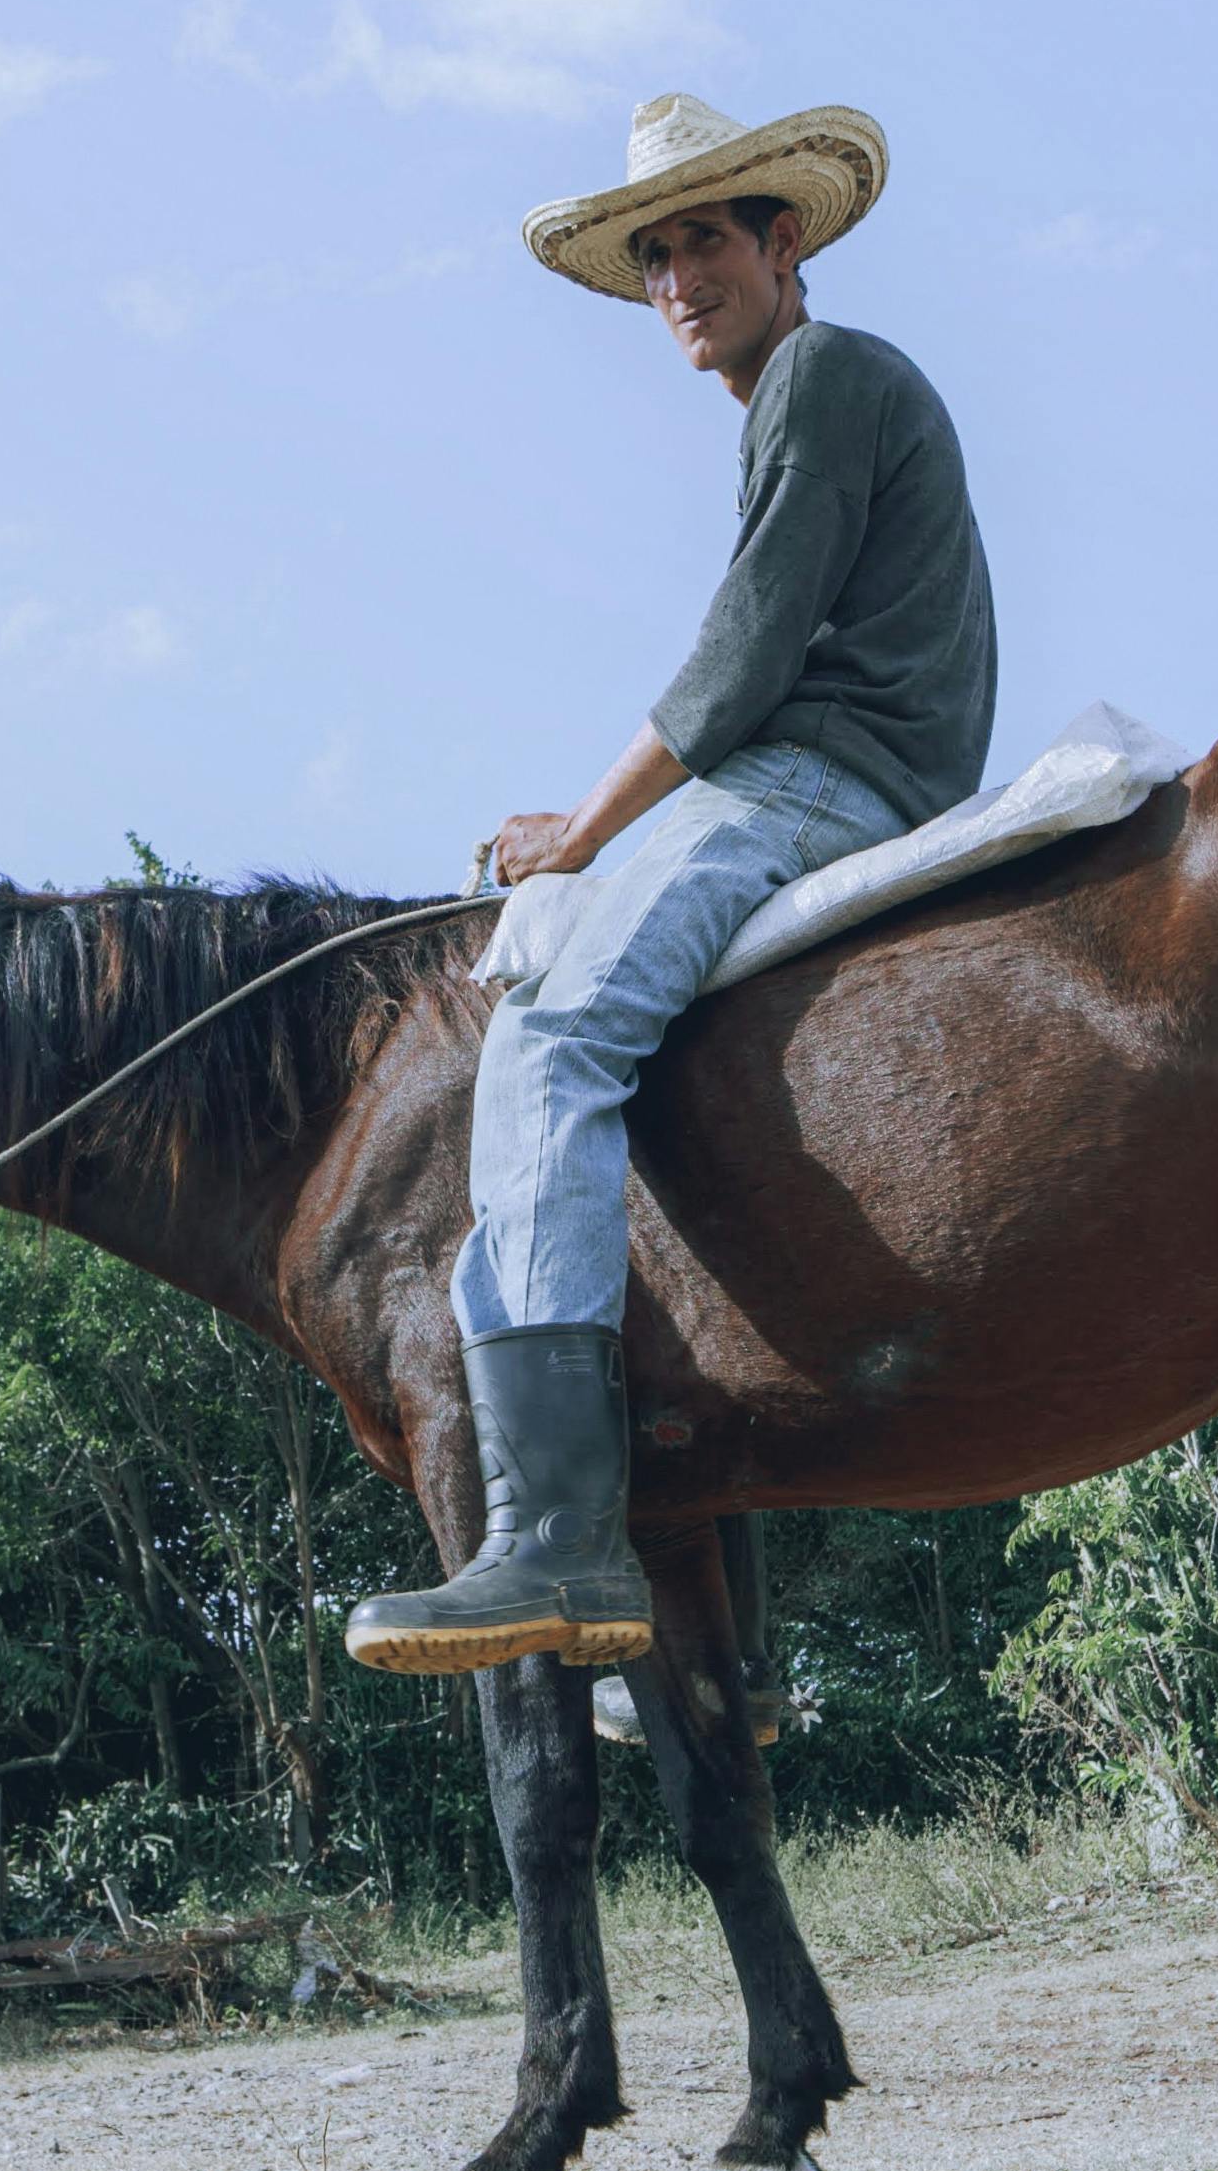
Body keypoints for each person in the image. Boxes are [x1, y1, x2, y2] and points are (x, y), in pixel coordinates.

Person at [346, 93, 1000, 1677]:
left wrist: (579, 827)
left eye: (705, 238)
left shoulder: (826, 378)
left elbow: (745, 655)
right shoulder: (799, 397)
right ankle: (717, 1640)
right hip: (839, 768)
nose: (677, 281)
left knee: (553, 1036)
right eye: (652, 258)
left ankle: (559, 1539)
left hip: (819, 778)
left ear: (787, 243)